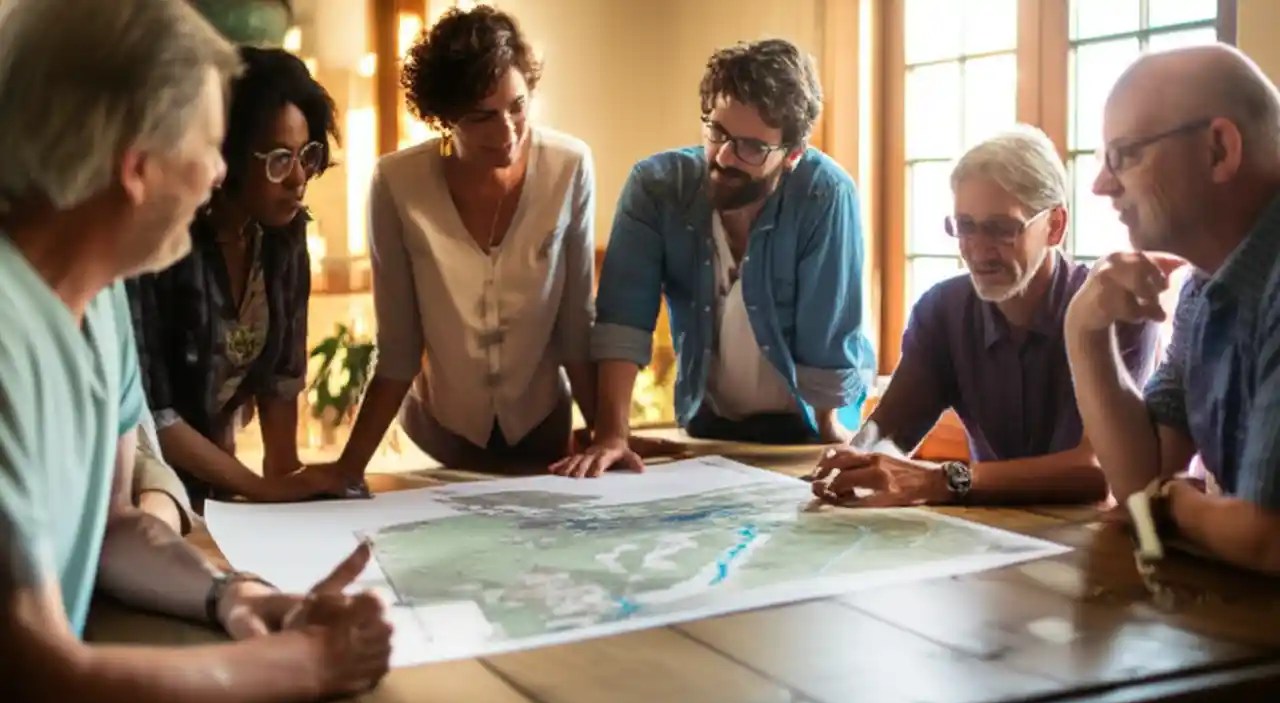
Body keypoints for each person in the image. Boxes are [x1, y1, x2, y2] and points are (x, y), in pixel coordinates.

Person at [0, 1, 390, 703]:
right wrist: (306, 663)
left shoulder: (103, 297)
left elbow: (117, 525)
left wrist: (232, 594)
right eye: (210, 146)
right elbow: (34, 673)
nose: (218, 175)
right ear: (137, 165)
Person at [293, 4, 622, 486]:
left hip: (543, 428)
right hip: (440, 437)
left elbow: (575, 327)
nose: (507, 131)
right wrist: (349, 468)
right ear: (444, 116)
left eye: (517, 106)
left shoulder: (569, 167)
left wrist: (606, 439)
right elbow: (399, 349)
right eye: (482, 116)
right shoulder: (396, 183)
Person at [552, 38, 876, 478]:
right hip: (710, 423)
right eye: (717, 132)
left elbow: (830, 324)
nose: (724, 157)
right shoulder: (656, 188)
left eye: (751, 148)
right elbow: (623, 321)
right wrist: (611, 434)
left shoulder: (826, 193)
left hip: (807, 422)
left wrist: (829, 429)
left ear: (792, 155)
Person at [810, 126, 1160, 507]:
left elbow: (1098, 470)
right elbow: (893, 428)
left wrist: (944, 480)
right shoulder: (943, 310)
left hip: (1094, 537)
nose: (977, 250)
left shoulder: (1113, 308)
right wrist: (859, 461)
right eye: (965, 227)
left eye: (1001, 229)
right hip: (990, 530)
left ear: (1055, 226)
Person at [1065, 44, 1280, 575]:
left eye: (1126, 155)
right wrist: (1084, 332)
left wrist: (1177, 505)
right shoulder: (1202, 287)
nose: (1101, 184)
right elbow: (1140, 481)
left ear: (1218, 150)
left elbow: (1267, 538)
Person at [128, 46, 344, 508]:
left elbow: (282, 379)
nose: (299, 178)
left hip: (222, 486)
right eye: (278, 160)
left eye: (306, 155)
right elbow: (154, 411)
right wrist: (259, 487)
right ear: (225, 160)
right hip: (144, 484)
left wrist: (287, 477)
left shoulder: (283, 239)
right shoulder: (163, 247)